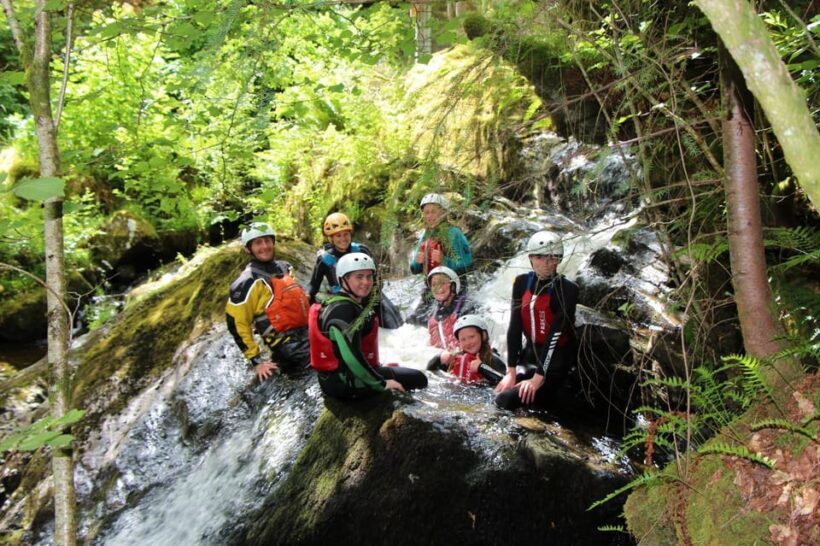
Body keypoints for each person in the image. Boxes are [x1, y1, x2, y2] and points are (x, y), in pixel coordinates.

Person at [308, 252, 428, 400]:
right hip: (345, 383)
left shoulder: (342, 303)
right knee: (419, 378)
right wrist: (381, 383)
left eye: (369, 276)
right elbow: (351, 358)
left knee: (396, 369)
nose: (366, 282)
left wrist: (376, 369)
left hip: (338, 379)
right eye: (359, 277)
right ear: (343, 279)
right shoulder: (342, 311)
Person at [495, 231, 578, 410]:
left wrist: (538, 378)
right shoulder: (521, 282)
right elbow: (515, 327)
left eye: (552, 258)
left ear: (559, 259)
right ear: (531, 258)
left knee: (506, 400)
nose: (546, 263)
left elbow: (555, 335)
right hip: (530, 355)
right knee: (498, 389)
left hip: (556, 363)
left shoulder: (568, 290)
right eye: (540, 257)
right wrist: (511, 370)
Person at [226, 222, 311, 381]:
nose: (264, 246)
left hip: (307, 331)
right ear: (248, 248)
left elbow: (300, 301)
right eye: (258, 243)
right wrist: (257, 361)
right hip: (286, 345)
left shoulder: (285, 268)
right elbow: (236, 323)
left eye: (267, 241)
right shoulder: (247, 282)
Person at [308, 212, 404, 328]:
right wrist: (307, 298)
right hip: (344, 301)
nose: (343, 239)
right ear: (331, 238)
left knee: (395, 326)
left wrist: (373, 294)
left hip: (370, 298)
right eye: (338, 236)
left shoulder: (362, 250)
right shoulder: (323, 259)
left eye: (346, 234)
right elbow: (313, 286)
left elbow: (377, 277)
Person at [408, 193, 473, 323]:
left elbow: (467, 265)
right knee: (414, 322)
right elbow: (415, 269)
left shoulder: (454, 234)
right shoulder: (425, 236)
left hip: (453, 288)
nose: (429, 216)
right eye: (426, 213)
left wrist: (445, 260)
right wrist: (418, 263)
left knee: (445, 321)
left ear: (443, 213)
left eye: (433, 212)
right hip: (431, 288)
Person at [427, 314, 505, 385]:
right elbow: (429, 371)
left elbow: (505, 382)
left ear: (483, 336)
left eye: (472, 337)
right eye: (463, 339)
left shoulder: (493, 360)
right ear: (459, 342)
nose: (468, 342)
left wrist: (481, 367)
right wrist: (439, 358)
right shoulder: (455, 359)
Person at [425, 266, 473, 351]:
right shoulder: (432, 314)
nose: (438, 288)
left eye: (442, 283)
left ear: (453, 286)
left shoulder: (467, 308)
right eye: (434, 284)